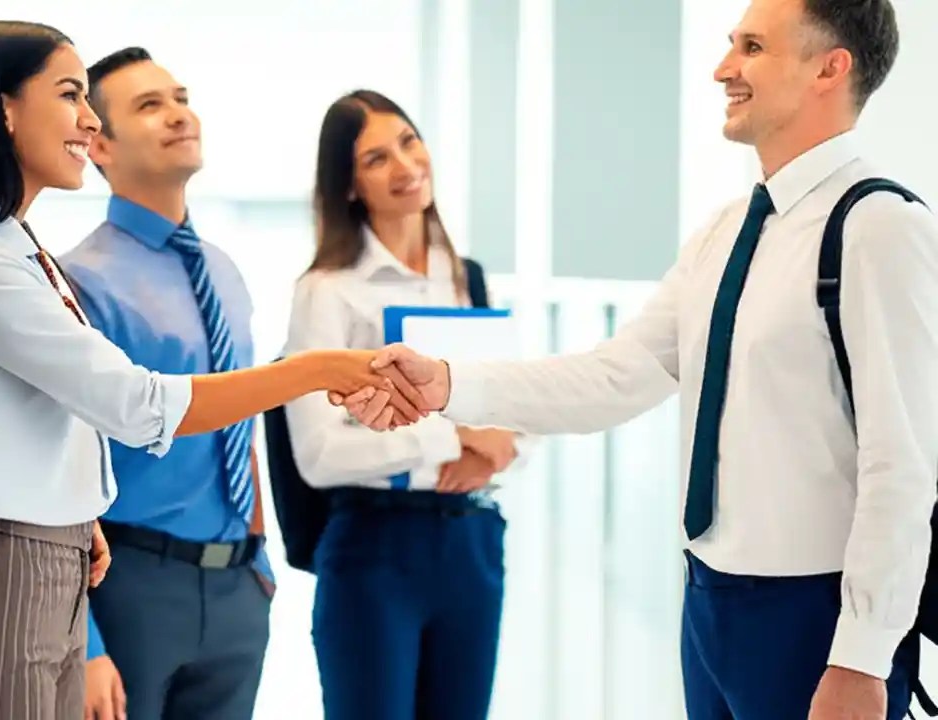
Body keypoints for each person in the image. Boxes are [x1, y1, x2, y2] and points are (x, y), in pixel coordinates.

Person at [343, 1, 938, 718]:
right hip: (710, 606)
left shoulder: (881, 228)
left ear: (829, 68)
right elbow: (615, 376)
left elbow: (901, 465)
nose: (724, 69)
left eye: (751, 47)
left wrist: (862, 657)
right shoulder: (726, 231)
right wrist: (447, 384)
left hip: (813, 620)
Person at [0, 23, 419, 720]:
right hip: (32, 573)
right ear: (4, 108)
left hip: (81, 564)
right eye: (70, 95)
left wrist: (83, 516)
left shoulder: (24, 253)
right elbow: (135, 406)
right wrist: (315, 370)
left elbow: (59, 421)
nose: (85, 118)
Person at [280, 89, 523, 720]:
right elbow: (321, 453)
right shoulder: (327, 292)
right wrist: (454, 441)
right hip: (374, 548)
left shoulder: (466, 278)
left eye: (409, 143)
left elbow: (512, 416)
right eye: (376, 158)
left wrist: (494, 452)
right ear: (350, 185)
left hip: (469, 540)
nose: (405, 165)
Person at [57, 47, 270, 720]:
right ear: (99, 145)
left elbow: (243, 419)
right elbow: (59, 457)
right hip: (132, 584)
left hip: (238, 585)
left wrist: (260, 559)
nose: (179, 114)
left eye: (180, 97)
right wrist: (85, 640)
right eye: (150, 106)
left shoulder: (225, 272)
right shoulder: (79, 280)